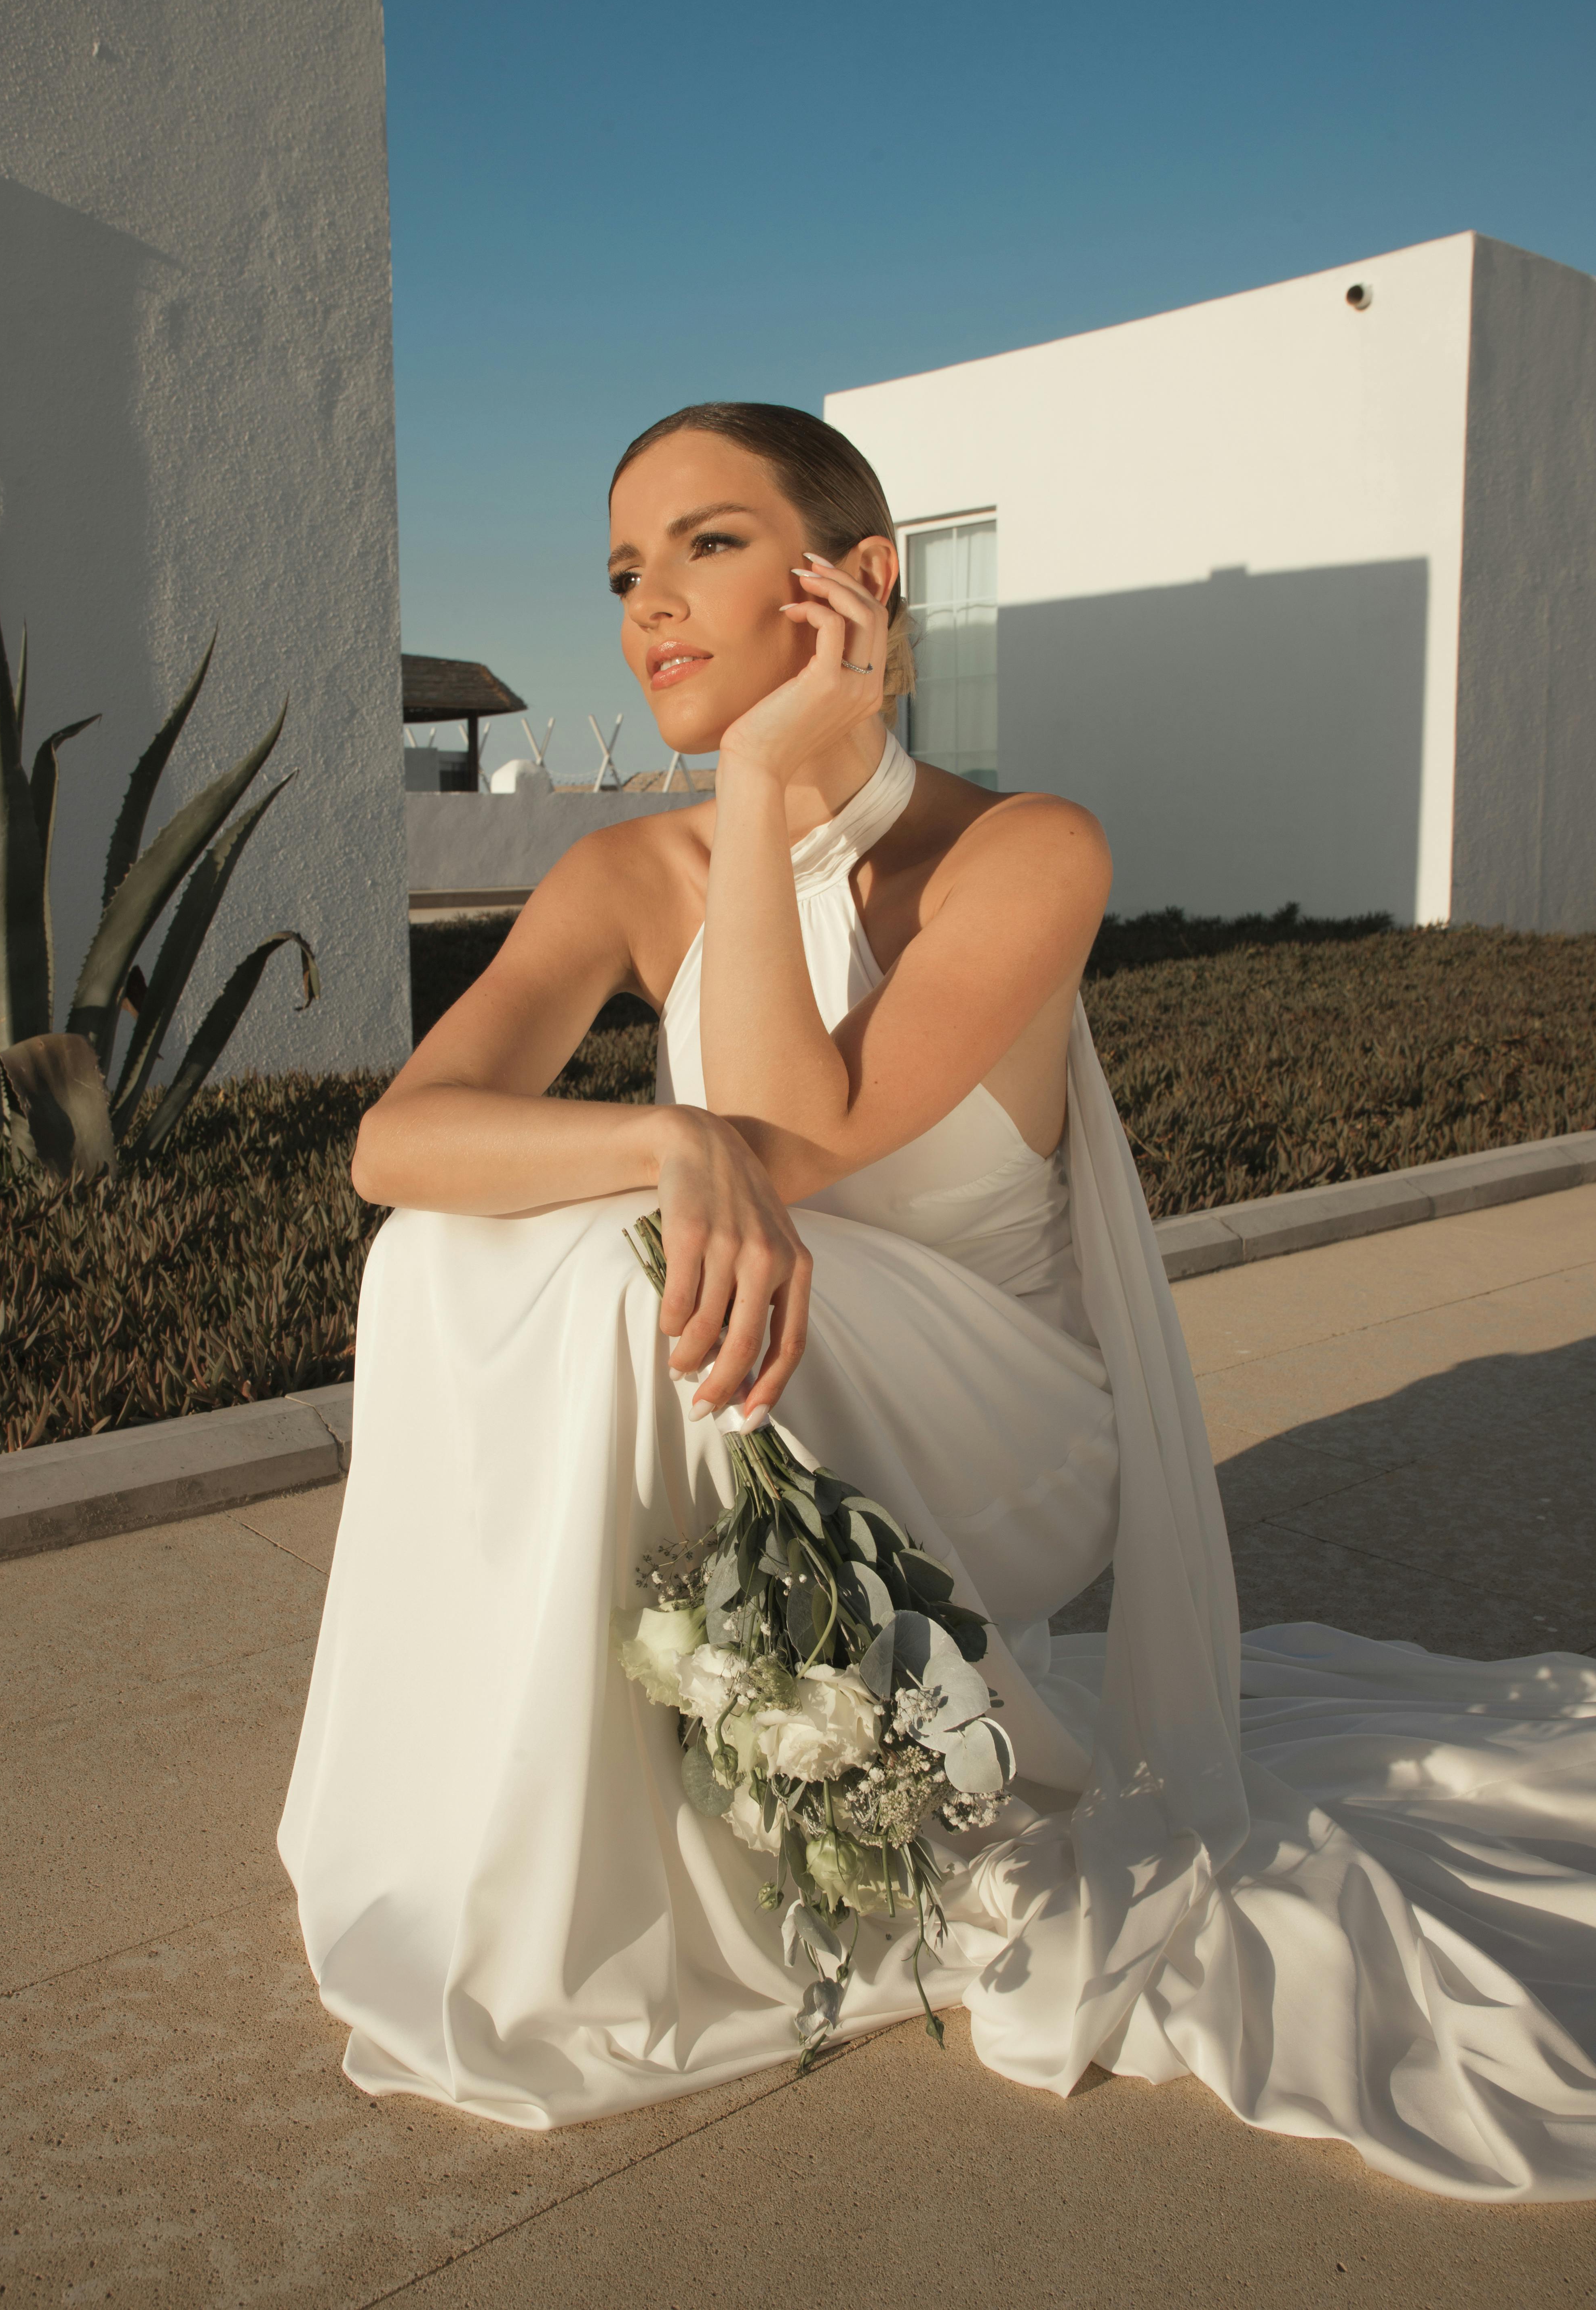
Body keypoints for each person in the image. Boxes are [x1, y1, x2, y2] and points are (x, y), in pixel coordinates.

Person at [280, 403, 1596, 2197]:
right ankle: (527, 1817)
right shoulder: (621, 875)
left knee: (609, 1259)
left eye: (706, 546)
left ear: (860, 583)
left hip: (1012, 1437)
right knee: (455, 1245)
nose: (646, 607)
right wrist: (663, 1136)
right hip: (775, 1369)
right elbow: (396, 1145)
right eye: (620, 572)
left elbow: (796, 1134)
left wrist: (756, 790)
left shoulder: (1023, 853)